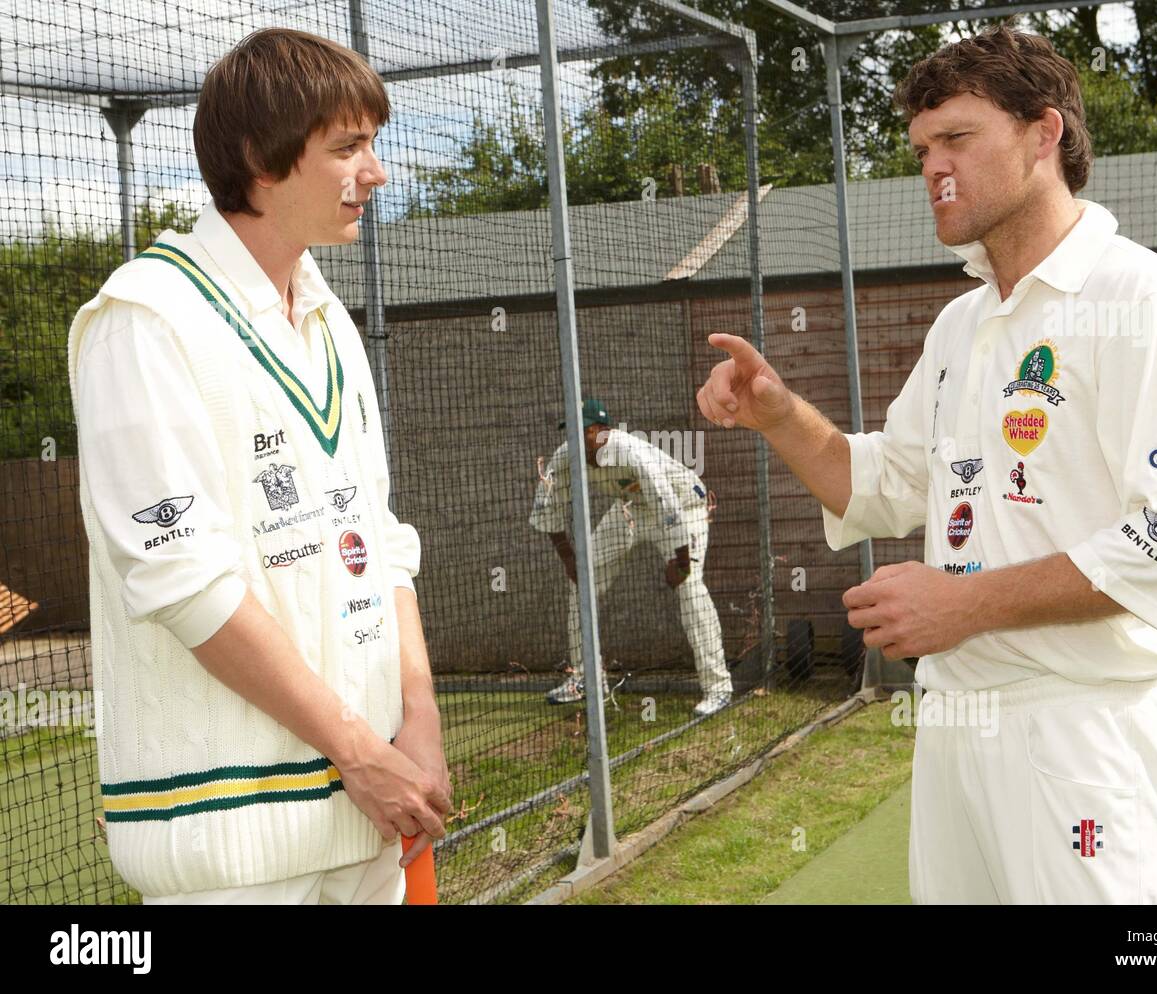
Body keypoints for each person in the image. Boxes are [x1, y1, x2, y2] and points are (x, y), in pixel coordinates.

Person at [696, 26, 1157, 904]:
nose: (932, 168)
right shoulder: (962, 325)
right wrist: (777, 412)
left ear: (1043, 134)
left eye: (956, 138)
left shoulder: (1142, 299)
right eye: (920, 149)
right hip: (954, 725)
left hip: (1080, 731)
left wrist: (964, 604)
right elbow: (881, 485)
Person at [67, 27, 451, 904]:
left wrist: (417, 722)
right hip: (229, 844)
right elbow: (183, 581)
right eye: (348, 147)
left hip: (367, 821)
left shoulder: (328, 320)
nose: (377, 171)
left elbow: (380, 545)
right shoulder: (144, 318)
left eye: (373, 144)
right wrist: (361, 753)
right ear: (259, 158)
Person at [531, 399, 733, 716]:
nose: (572, 438)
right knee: (582, 582)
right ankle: (586, 681)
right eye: (568, 429)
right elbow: (548, 506)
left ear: (598, 431)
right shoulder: (567, 455)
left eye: (579, 430)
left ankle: (718, 689)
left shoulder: (630, 451)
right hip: (631, 509)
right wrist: (570, 559)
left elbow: (667, 504)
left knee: (691, 589)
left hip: (685, 507)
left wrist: (681, 562)